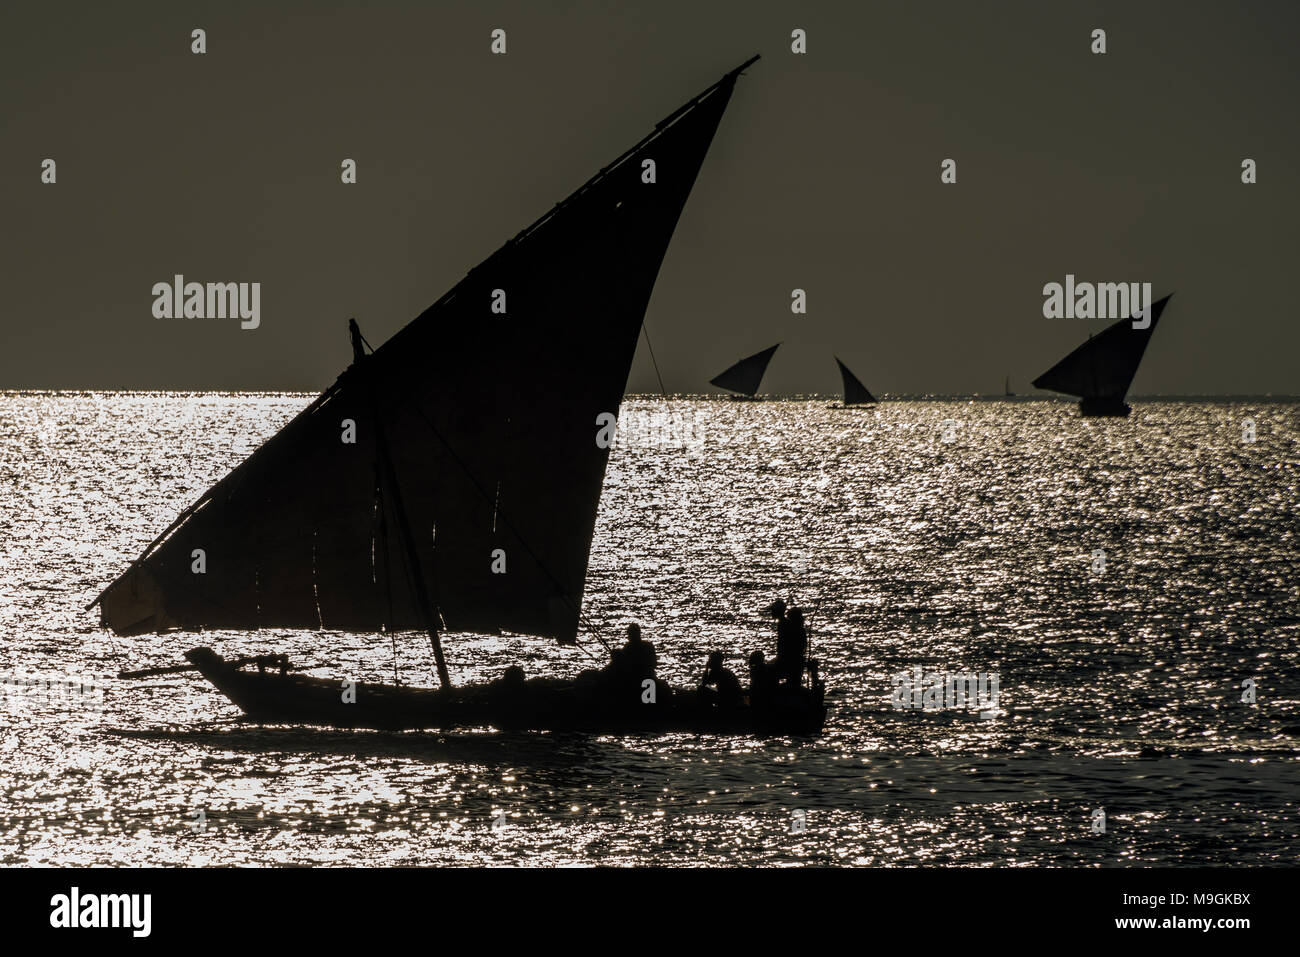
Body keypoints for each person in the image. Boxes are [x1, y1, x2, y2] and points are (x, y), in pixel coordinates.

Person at [773, 606, 808, 688]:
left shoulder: (791, 628)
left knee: (793, 683)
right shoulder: (799, 629)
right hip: (796, 661)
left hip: (791, 662)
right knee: (794, 683)